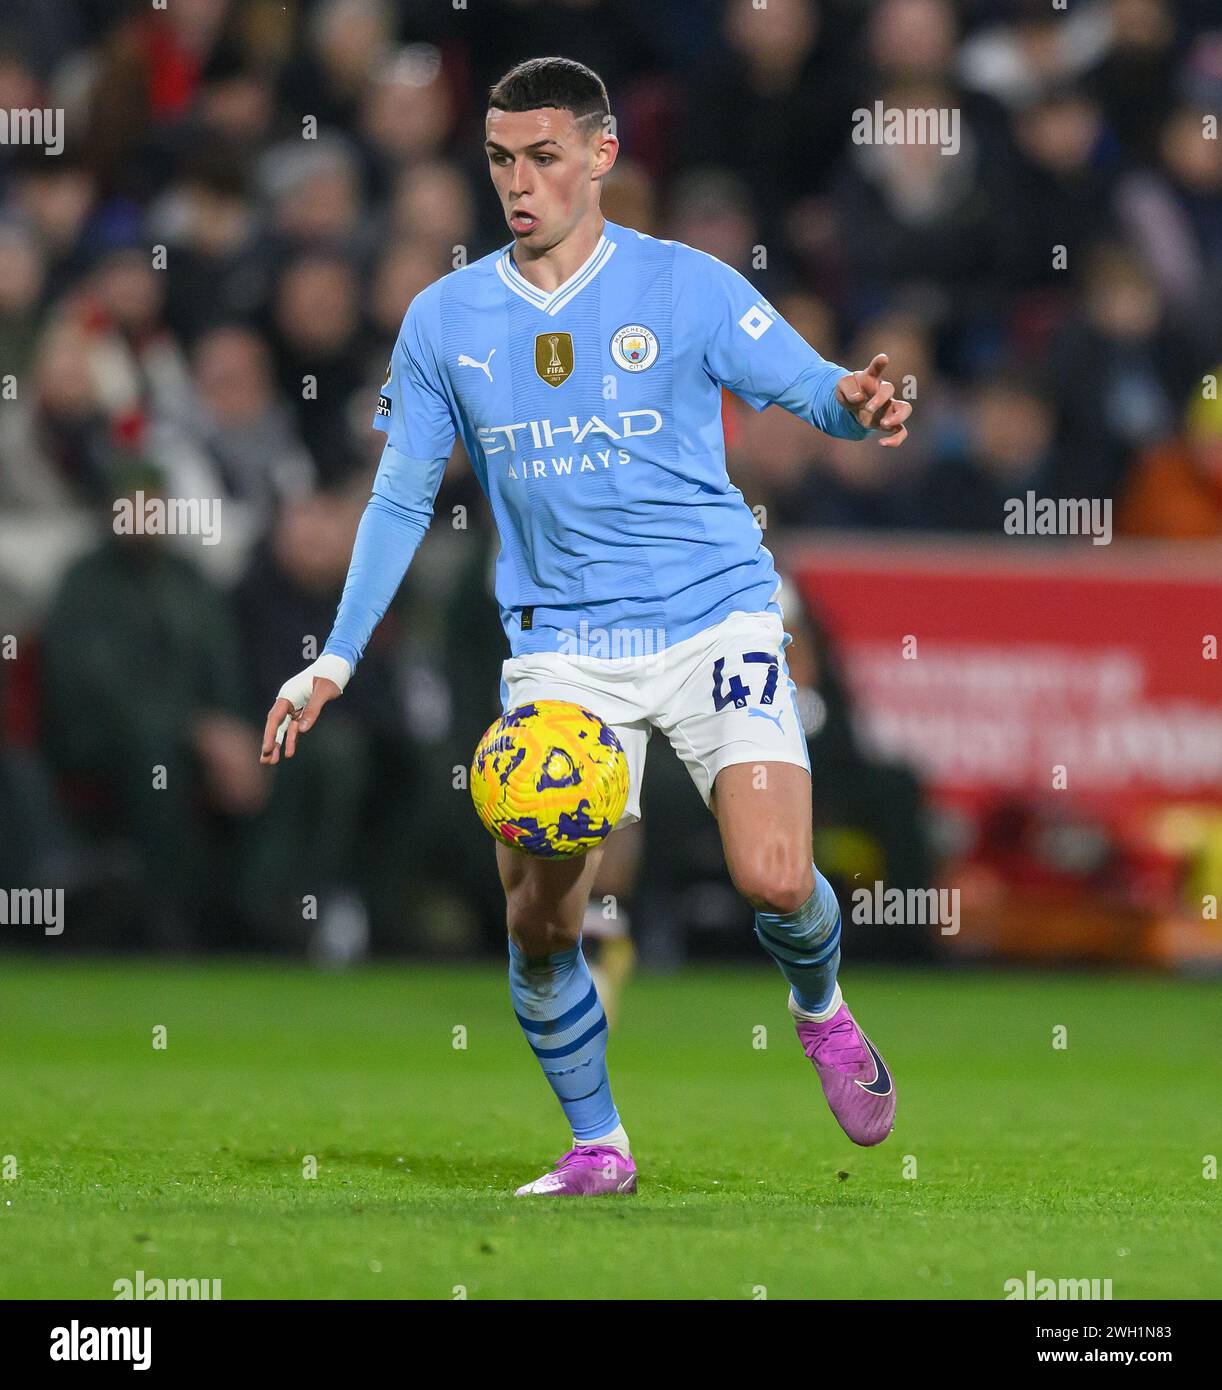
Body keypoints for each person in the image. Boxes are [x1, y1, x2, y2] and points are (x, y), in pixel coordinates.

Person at [259, 57, 912, 1197]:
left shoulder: (686, 286)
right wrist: (338, 656)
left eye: (544, 157)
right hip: (562, 648)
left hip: (714, 617)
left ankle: (819, 1006)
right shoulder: (444, 319)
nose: (520, 182)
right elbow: (401, 495)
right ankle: (599, 1143)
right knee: (545, 918)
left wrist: (857, 405)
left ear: (601, 155)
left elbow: (812, 391)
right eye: (502, 159)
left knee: (773, 877)